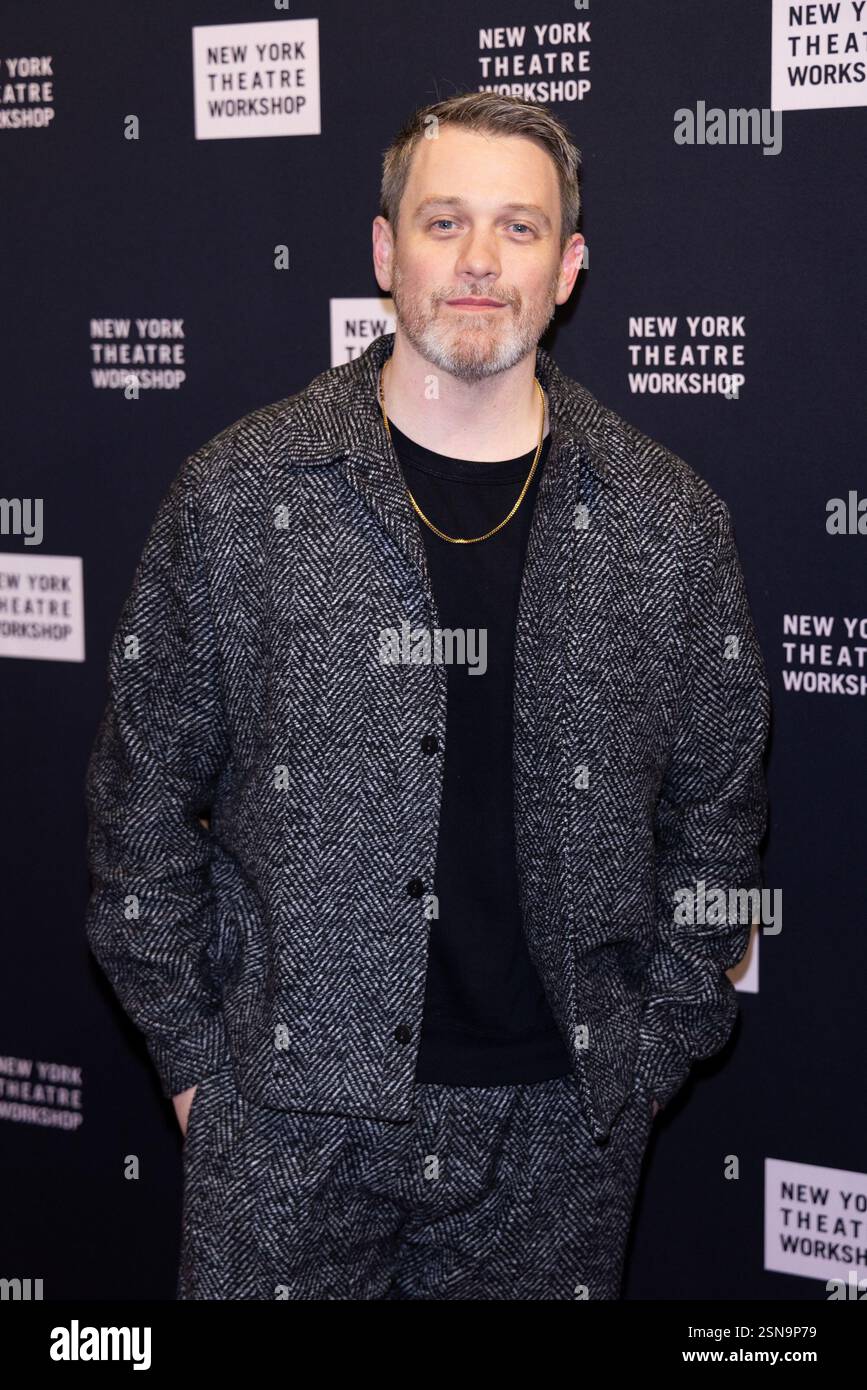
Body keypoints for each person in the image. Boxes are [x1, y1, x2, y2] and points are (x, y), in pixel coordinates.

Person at [84, 91, 771, 1300]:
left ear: (568, 267)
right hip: (285, 1123)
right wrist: (200, 1069)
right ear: (384, 251)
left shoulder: (669, 523)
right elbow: (138, 810)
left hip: (560, 1133)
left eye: (517, 229)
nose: (477, 261)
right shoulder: (242, 494)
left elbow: (721, 821)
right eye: (444, 220)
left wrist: (648, 1057)